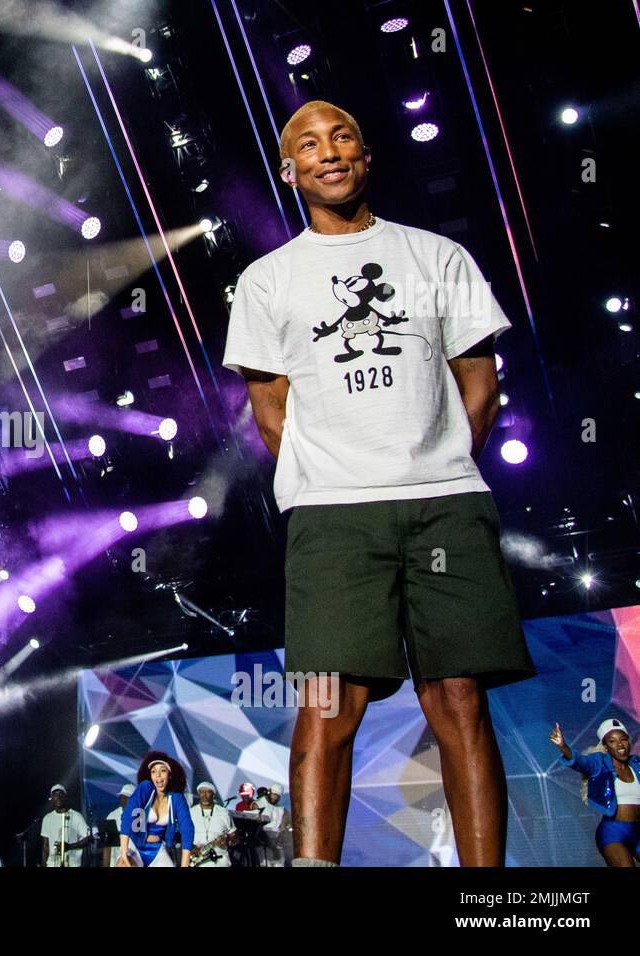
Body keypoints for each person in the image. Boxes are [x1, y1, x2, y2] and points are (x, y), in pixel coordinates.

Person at [223, 99, 536, 867]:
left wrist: (438, 461)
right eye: (309, 144)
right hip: (333, 517)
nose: (329, 152)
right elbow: (270, 411)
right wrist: (334, 472)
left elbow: (479, 382)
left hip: (444, 507)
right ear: (290, 171)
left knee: (459, 699)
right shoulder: (267, 281)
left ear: (366, 155)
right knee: (328, 706)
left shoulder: (437, 257)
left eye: (344, 138)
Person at [552, 718, 640, 866]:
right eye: (612, 741)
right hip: (614, 833)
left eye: (623, 739)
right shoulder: (600, 764)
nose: (620, 745)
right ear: (605, 746)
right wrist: (563, 746)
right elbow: (581, 762)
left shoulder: (637, 764)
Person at [118, 752, 193, 867]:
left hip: (157, 849)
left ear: (170, 774)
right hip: (135, 846)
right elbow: (128, 815)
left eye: (162, 770)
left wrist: (185, 865)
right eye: (153, 771)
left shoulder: (177, 798)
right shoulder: (146, 787)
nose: (157, 775)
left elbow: (187, 830)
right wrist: (123, 853)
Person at [40, 784, 90, 867]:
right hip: (52, 863)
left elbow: (88, 838)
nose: (58, 797)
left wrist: (70, 846)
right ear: (51, 798)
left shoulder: (76, 816)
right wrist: (43, 864)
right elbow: (45, 846)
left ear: (65, 797)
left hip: (72, 863)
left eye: (60, 794)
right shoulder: (47, 818)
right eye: (55, 795)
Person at [188, 782, 236, 867]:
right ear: (199, 794)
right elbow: (183, 835)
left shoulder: (224, 812)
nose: (204, 795)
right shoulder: (191, 812)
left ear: (213, 795)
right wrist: (192, 847)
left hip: (220, 859)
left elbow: (234, 836)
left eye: (208, 792)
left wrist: (228, 840)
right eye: (202, 792)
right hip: (197, 858)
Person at [254, 784, 289, 867]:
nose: (276, 798)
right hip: (263, 846)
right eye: (274, 794)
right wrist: (272, 847)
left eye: (278, 796)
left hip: (277, 843)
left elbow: (287, 818)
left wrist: (283, 825)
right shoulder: (258, 804)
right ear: (269, 792)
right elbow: (255, 826)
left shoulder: (282, 809)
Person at [104, 783, 135, 866]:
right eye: (121, 797)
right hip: (116, 862)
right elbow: (107, 845)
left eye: (126, 797)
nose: (123, 800)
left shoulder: (141, 816)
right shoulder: (112, 816)